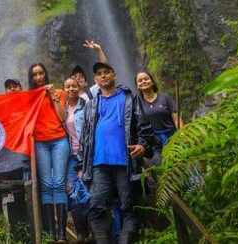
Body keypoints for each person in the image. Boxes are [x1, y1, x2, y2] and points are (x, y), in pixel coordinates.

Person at [80, 61, 154, 244]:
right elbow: (85, 137)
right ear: (95, 79)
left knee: (128, 205)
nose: (103, 75)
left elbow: (143, 125)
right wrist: (82, 164)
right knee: (96, 206)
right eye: (99, 73)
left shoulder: (129, 98)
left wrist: (143, 146)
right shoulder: (90, 105)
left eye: (107, 72)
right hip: (98, 163)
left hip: (125, 162)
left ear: (114, 74)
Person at [29, 63, 69, 242]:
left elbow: (62, 117)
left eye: (41, 73)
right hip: (40, 143)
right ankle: (50, 233)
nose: (38, 77)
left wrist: (52, 95)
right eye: (35, 74)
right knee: (46, 185)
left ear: (46, 74)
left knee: (59, 183)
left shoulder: (59, 92)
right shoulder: (30, 98)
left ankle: (61, 233)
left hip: (59, 140)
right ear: (31, 78)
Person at [63, 75, 90, 240]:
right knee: (72, 191)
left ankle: (92, 229)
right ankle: (81, 232)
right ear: (64, 89)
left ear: (79, 87)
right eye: (68, 86)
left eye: (74, 86)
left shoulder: (87, 106)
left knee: (88, 190)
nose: (71, 89)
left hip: (85, 154)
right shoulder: (62, 108)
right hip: (69, 156)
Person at [135, 71, 181, 157]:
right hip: (154, 143)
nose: (143, 81)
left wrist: (183, 134)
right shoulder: (137, 105)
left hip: (172, 137)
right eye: (140, 80)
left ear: (152, 82)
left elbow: (176, 118)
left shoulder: (165, 98)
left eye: (146, 79)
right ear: (137, 86)